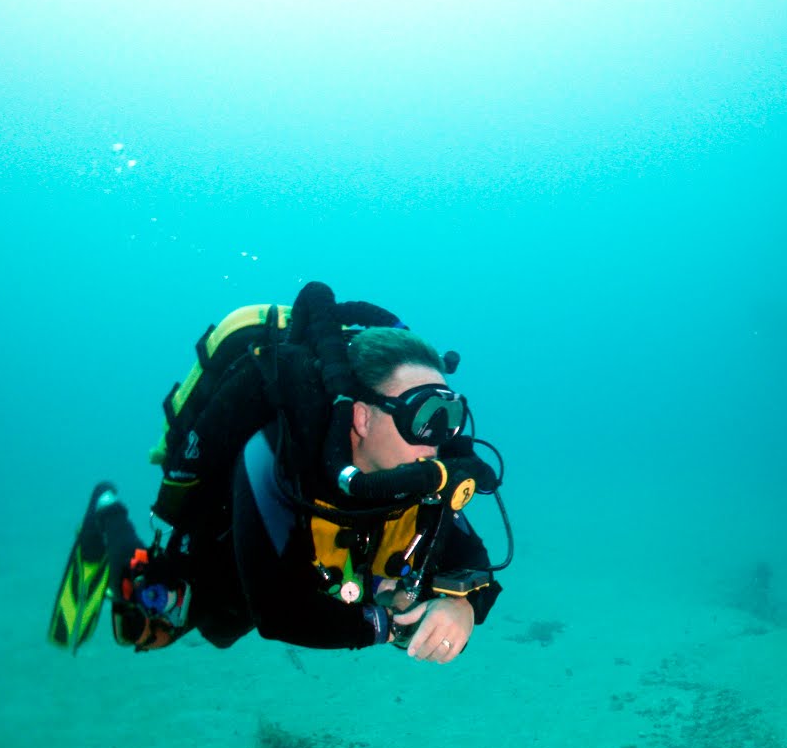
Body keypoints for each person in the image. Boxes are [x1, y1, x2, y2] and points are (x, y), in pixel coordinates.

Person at [48, 282, 509, 663]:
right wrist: (387, 624)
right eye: (421, 416)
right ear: (363, 417)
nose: (438, 440)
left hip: (330, 575)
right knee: (157, 623)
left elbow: (474, 559)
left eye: (448, 417)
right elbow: (278, 613)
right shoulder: (278, 454)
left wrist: (462, 605)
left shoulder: (422, 470)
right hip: (238, 560)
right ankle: (106, 513)